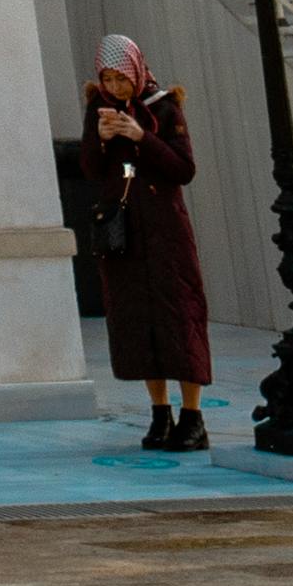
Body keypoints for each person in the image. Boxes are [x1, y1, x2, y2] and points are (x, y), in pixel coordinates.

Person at [59, 36, 215, 453]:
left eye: (121, 78)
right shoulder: (100, 107)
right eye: (107, 79)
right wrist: (103, 136)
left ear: (135, 73)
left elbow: (183, 169)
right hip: (122, 232)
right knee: (137, 321)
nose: (115, 86)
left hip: (165, 231)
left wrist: (141, 136)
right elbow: (91, 169)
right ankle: (159, 412)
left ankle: (193, 417)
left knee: (179, 318)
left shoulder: (164, 107)